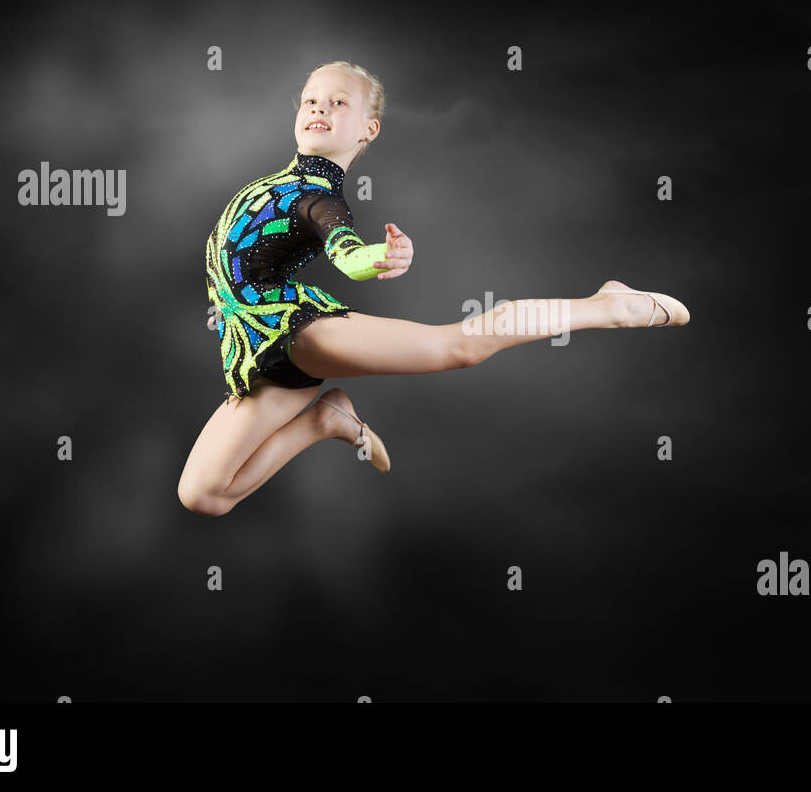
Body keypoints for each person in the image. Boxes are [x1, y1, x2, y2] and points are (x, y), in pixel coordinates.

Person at [178, 60, 689, 518]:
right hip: (253, 352)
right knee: (202, 496)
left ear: (367, 129)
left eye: (338, 103)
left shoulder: (318, 200)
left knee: (458, 345)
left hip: (294, 333)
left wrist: (379, 257)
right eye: (311, 100)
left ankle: (606, 306)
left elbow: (348, 255)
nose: (320, 109)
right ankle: (326, 423)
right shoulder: (273, 183)